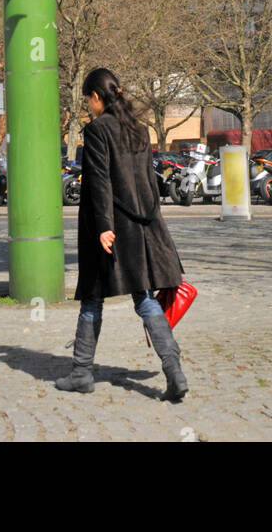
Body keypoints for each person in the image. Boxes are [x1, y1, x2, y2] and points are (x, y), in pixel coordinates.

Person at [56, 67, 189, 401]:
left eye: (89, 100)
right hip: (141, 226)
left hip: (111, 227)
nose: (89, 106)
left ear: (97, 97)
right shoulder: (139, 130)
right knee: (143, 297)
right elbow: (149, 181)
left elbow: (99, 180)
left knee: (92, 298)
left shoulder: (98, 130)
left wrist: (103, 226)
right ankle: (174, 371)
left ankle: (81, 372)